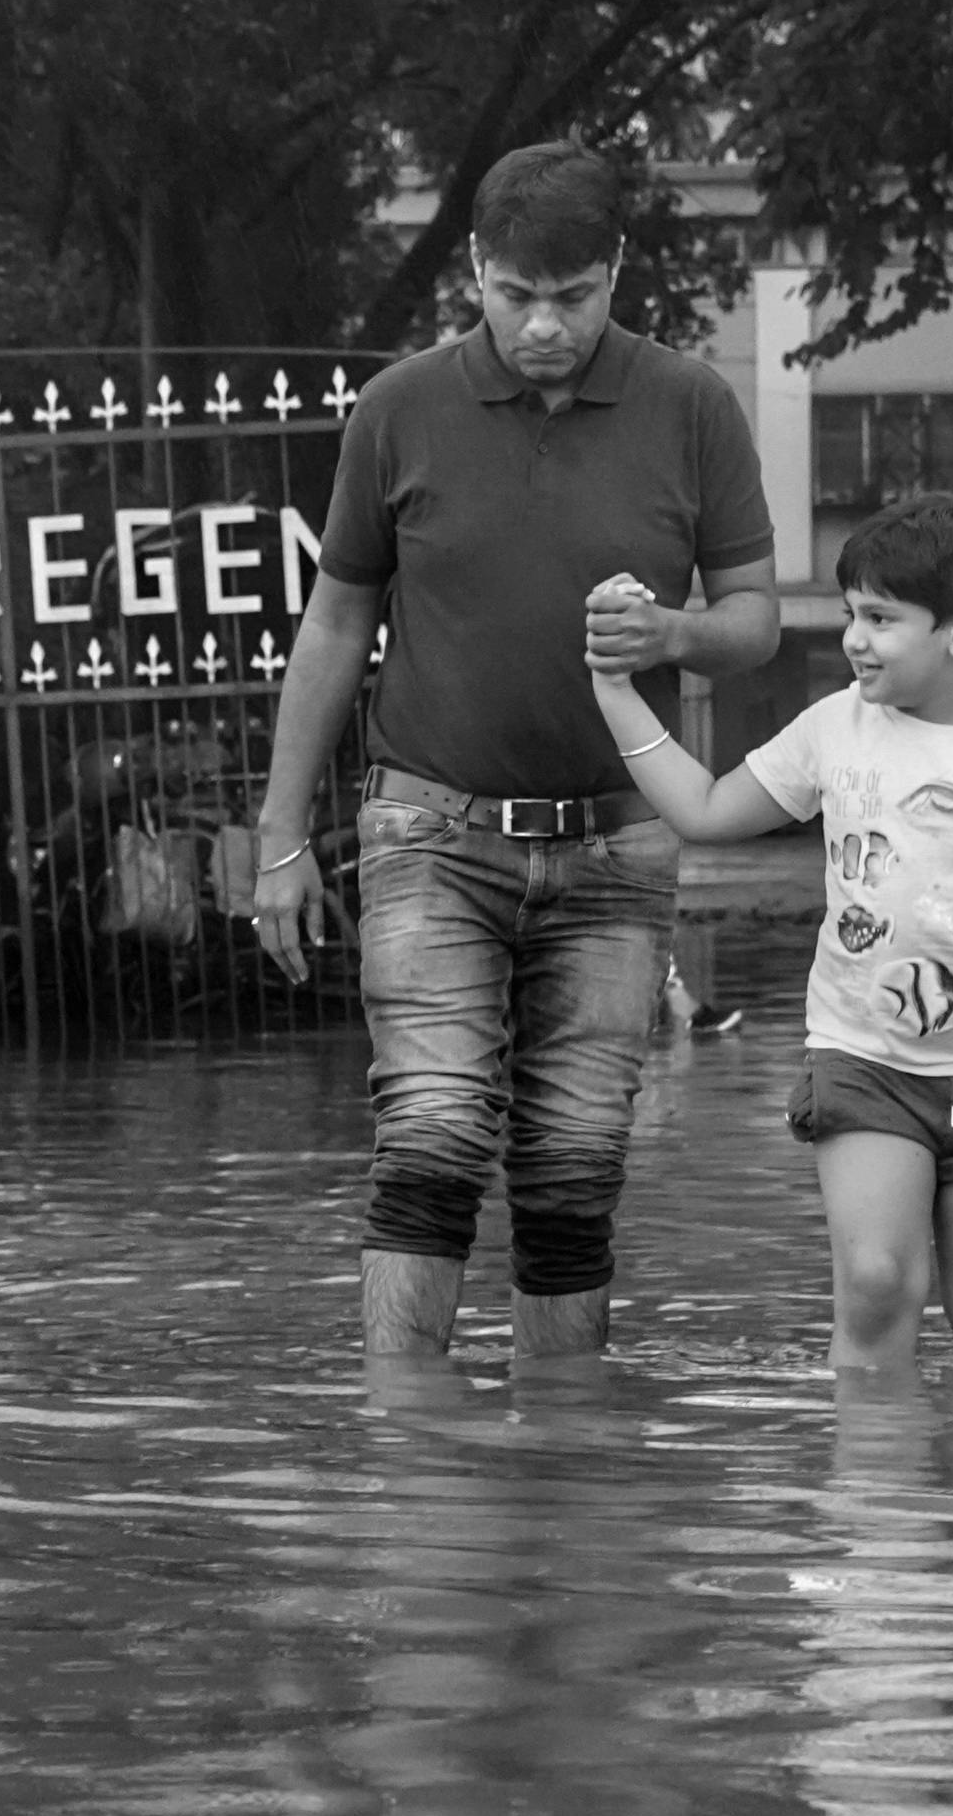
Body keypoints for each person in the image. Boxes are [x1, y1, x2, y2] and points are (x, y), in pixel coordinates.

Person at [248, 144, 779, 1359]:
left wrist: (676, 629)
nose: (546, 325)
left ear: (618, 273)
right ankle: (411, 1457)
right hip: (428, 831)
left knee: (576, 1159)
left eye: (576, 296)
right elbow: (335, 623)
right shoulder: (398, 410)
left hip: (616, 843)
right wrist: (280, 842)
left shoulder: (690, 404)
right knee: (431, 1134)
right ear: (475, 272)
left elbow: (755, 622)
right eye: (516, 295)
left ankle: (569, 1466)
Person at [586, 495, 953, 1395]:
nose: (854, 638)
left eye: (880, 619)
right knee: (879, 1284)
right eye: (852, 614)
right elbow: (705, 810)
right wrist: (615, 691)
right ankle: (886, 1525)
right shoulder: (836, 726)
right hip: (864, 1059)